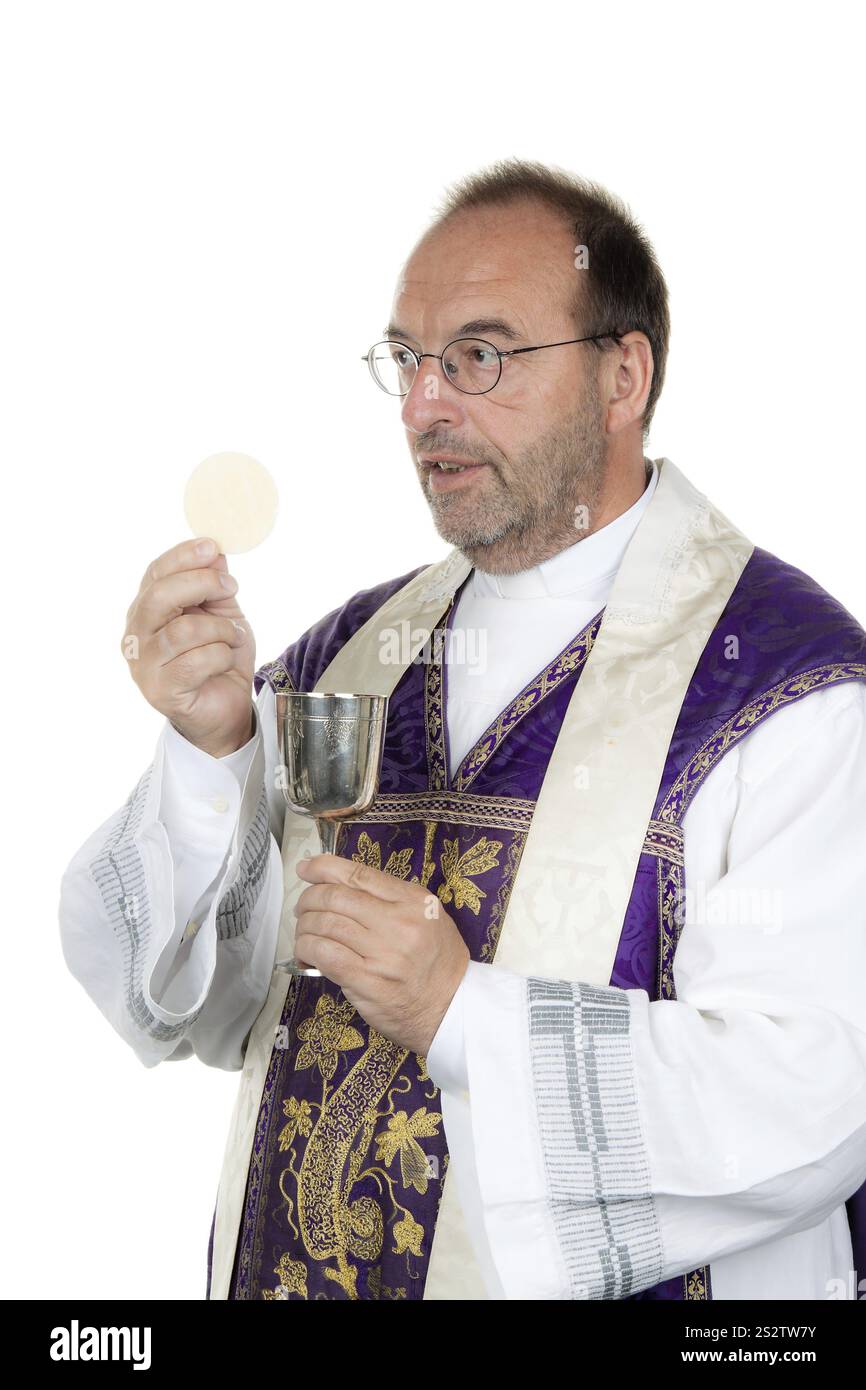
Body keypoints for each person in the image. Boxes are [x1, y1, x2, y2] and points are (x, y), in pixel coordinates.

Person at [59, 158, 866, 1301]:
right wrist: (210, 750)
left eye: (480, 356)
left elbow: (819, 1096)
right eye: (408, 358)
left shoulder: (780, 685)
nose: (426, 404)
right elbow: (192, 1002)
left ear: (619, 373)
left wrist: (460, 1014)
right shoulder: (348, 657)